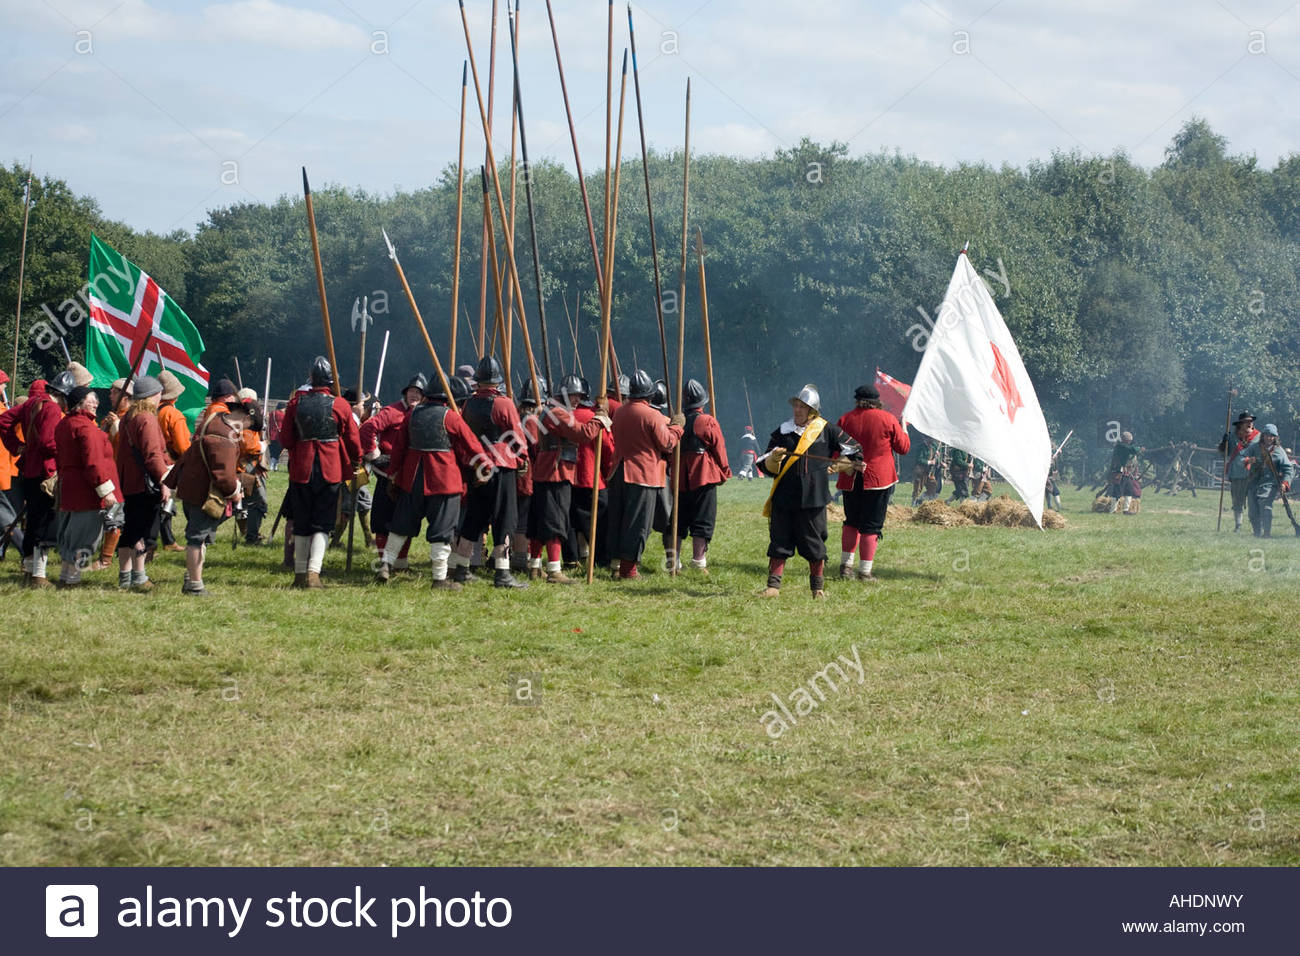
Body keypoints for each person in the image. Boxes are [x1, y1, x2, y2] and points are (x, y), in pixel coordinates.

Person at [376, 373, 488, 589]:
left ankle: (386, 565)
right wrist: (485, 466)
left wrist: (393, 474)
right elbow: (471, 444)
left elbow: (399, 448)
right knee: (442, 530)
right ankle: (439, 578)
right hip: (443, 479)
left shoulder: (413, 414)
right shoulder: (451, 417)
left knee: (400, 526)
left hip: (412, 478)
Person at [759, 384, 857, 599]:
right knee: (779, 541)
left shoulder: (827, 429)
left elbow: (854, 450)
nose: (797, 410)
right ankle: (773, 587)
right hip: (784, 497)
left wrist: (840, 463)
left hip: (813, 498)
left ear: (813, 411)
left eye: (802, 407)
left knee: (814, 544)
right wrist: (773, 458)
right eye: (796, 406)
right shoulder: (782, 431)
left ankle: (817, 589)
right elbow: (762, 462)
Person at [278, 358, 362, 588]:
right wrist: (356, 460)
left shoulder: (296, 403)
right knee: (323, 523)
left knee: (303, 522)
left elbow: (285, 439)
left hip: (302, 469)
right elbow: (353, 441)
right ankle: (313, 573)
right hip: (330, 468)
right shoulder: (341, 405)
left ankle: (299, 573)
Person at [452, 356, 529, 589]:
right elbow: (516, 433)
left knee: (474, 518)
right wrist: (523, 457)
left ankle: (462, 567)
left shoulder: (469, 404)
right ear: (497, 381)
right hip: (501, 464)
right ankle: (502, 573)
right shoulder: (504, 403)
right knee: (504, 518)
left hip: (478, 465)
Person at [525, 374, 611, 583]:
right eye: (573, 395)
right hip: (556, 473)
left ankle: (534, 567)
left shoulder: (550, 411)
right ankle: (554, 570)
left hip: (548, 471)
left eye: (578, 396)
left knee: (539, 523)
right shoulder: (558, 414)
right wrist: (599, 419)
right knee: (555, 523)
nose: (576, 400)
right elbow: (582, 435)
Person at [606, 369, 685, 580]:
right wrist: (677, 428)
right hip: (643, 474)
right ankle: (628, 570)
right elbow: (667, 443)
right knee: (638, 524)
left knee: (619, 521)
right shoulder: (652, 415)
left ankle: (616, 564)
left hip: (619, 471)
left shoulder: (621, 411)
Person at [167, 379, 244, 596]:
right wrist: (233, 491)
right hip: (204, 491)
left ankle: (192, 576)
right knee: (197, 538)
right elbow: (222, 468)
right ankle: (194, 585)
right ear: (229, 399)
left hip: (194, 485)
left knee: (201, 537)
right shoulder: (223, 424)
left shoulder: (210, 417)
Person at [0, 372, 71, 587]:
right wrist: (67, 451)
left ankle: (30, 570)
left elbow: (4, 421)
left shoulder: (33, 402)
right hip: (45, 472)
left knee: (33, 522)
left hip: (30, 469)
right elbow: (49, 443)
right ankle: (39, 575)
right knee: (44, 523)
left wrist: (17, 445)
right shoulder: (51, 408)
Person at [835, 384, 908, 581]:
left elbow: (836, 450)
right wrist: (904, 428)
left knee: (851, 522)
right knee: (871, 526)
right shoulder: (888, 419)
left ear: (857, 400)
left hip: (850, 477)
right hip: (878, 478)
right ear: (877, 401)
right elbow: (903, 448)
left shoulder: (845, 419)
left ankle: (845, 567)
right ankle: (865, 572)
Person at [53, 385, 123, 588]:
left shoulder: (66, 424)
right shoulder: (86, 428)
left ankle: (67, 575)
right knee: (85, 537)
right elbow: (94, 462)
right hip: (87, 491)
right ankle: (74, 578)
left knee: (69, 535)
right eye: (92, 400)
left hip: (70, 487)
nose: (96, 403)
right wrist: (106, 490)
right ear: (80, 403)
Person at [361, 374, 426, 567]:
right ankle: (384, 562)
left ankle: (401, 562)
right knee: (383, 520)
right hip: (389, 472)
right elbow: (367, 429)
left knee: (407, 520)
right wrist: (374, 455)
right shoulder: (392, 411)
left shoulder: (423, 414)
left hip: (411, 474)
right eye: (411, 391)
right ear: (406, 393)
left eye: (418, 392)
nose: (414, 395)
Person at [114, 375, 172, 591]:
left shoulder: (129, 417)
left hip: (130, 481)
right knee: (140, 532)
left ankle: (127, 577)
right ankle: (137, 576)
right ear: (151, 397)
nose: (160, 399)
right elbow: (152, 455)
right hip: (143, 483)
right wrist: (164, 480)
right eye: (158, 395)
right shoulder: (146, 419)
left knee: (131, 530)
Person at [669, 378, 731, 574]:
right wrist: (724, 470)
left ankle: (674, 561)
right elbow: (718, 447)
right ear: (702, 402)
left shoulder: (676, 420)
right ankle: (698, 562)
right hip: (703, 474)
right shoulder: (707, 421)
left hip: (680, 476)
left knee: (679, 519)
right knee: (702, 520)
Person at [568, 376, 615, 567]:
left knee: (571, 521)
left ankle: (572, 558)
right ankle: (600, 560)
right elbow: (608, 450)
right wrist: (609, 472)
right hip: (591, 478)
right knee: (600, 523)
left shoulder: (562, 415)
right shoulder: (594, 418)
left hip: (567, 478)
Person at [155, 371, 191, 552]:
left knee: (162, 502)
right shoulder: (174, 415)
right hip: (170, 462)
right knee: (166, 502)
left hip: (155, 460)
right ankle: (168, 541)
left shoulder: (153, 411)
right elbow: (183, 446)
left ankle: (167, 540)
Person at [1244, 423, 1294, 538]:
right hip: (1253, 482)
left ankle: (1266, 534)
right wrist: (1247, 461)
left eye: (1272, 436)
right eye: (1267, 435)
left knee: (1265, 507)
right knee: (1252, 513)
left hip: (1270, 483)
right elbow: (1243, 457)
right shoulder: (1254, 447)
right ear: (1263, 436)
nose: (1269, 438)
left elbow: (1288, 469)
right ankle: (1257, 533)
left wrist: (1284, 483)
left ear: (1275, 437)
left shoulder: (1279, 451)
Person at [1217, 412, 1259, 533]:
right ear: (1240, 424)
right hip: (1237, 473)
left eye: (1251, 421)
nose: (1250, 423)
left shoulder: (1258, 437)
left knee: (1254, 502)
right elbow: (1224, 452)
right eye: (1247, 421)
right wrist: (1223, 443)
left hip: (1253, 474)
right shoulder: (1232, 437)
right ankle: (1238, 526)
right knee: (1237, 501)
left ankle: (1256, 527)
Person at [1105, 431, 1142, 515]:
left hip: (1124, 472)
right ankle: (1112, 511)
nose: (1129, 442)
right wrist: (1140, 449)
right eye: (1128, 440)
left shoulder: (1123, 446)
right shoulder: (1121, 446)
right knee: (1117, 491)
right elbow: (1132, 450)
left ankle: (1126, 510)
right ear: (1125, 440)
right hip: (1119, 472)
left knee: (1129, 490)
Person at [267, 401, 286, 470]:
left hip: (271, 434)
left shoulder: (271, 413)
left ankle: (274, 465)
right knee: (278, 450)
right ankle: (274, 465)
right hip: (279, 435)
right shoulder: (283, 415)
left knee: (273, 450)